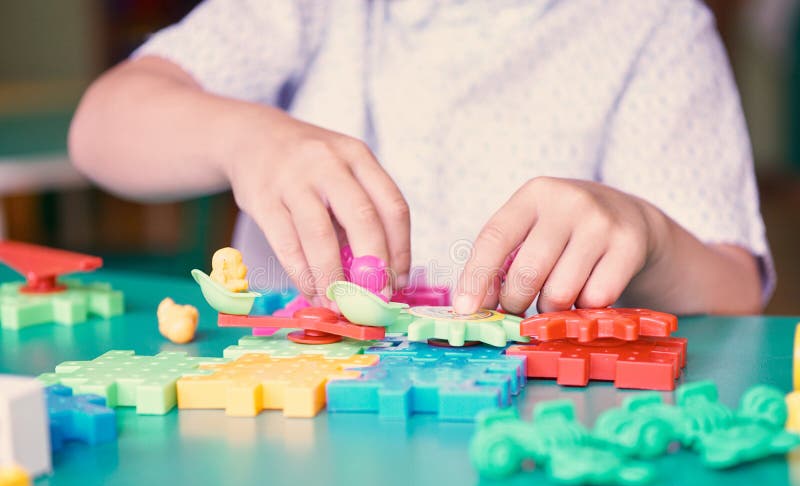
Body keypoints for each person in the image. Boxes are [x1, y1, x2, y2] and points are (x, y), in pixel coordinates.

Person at [68, 0, 771, 316]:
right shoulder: (311, 8)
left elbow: (733, 292)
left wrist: (649, 235)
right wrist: (240, 136)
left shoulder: (656, 24)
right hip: (294, 424)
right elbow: (99, 128)